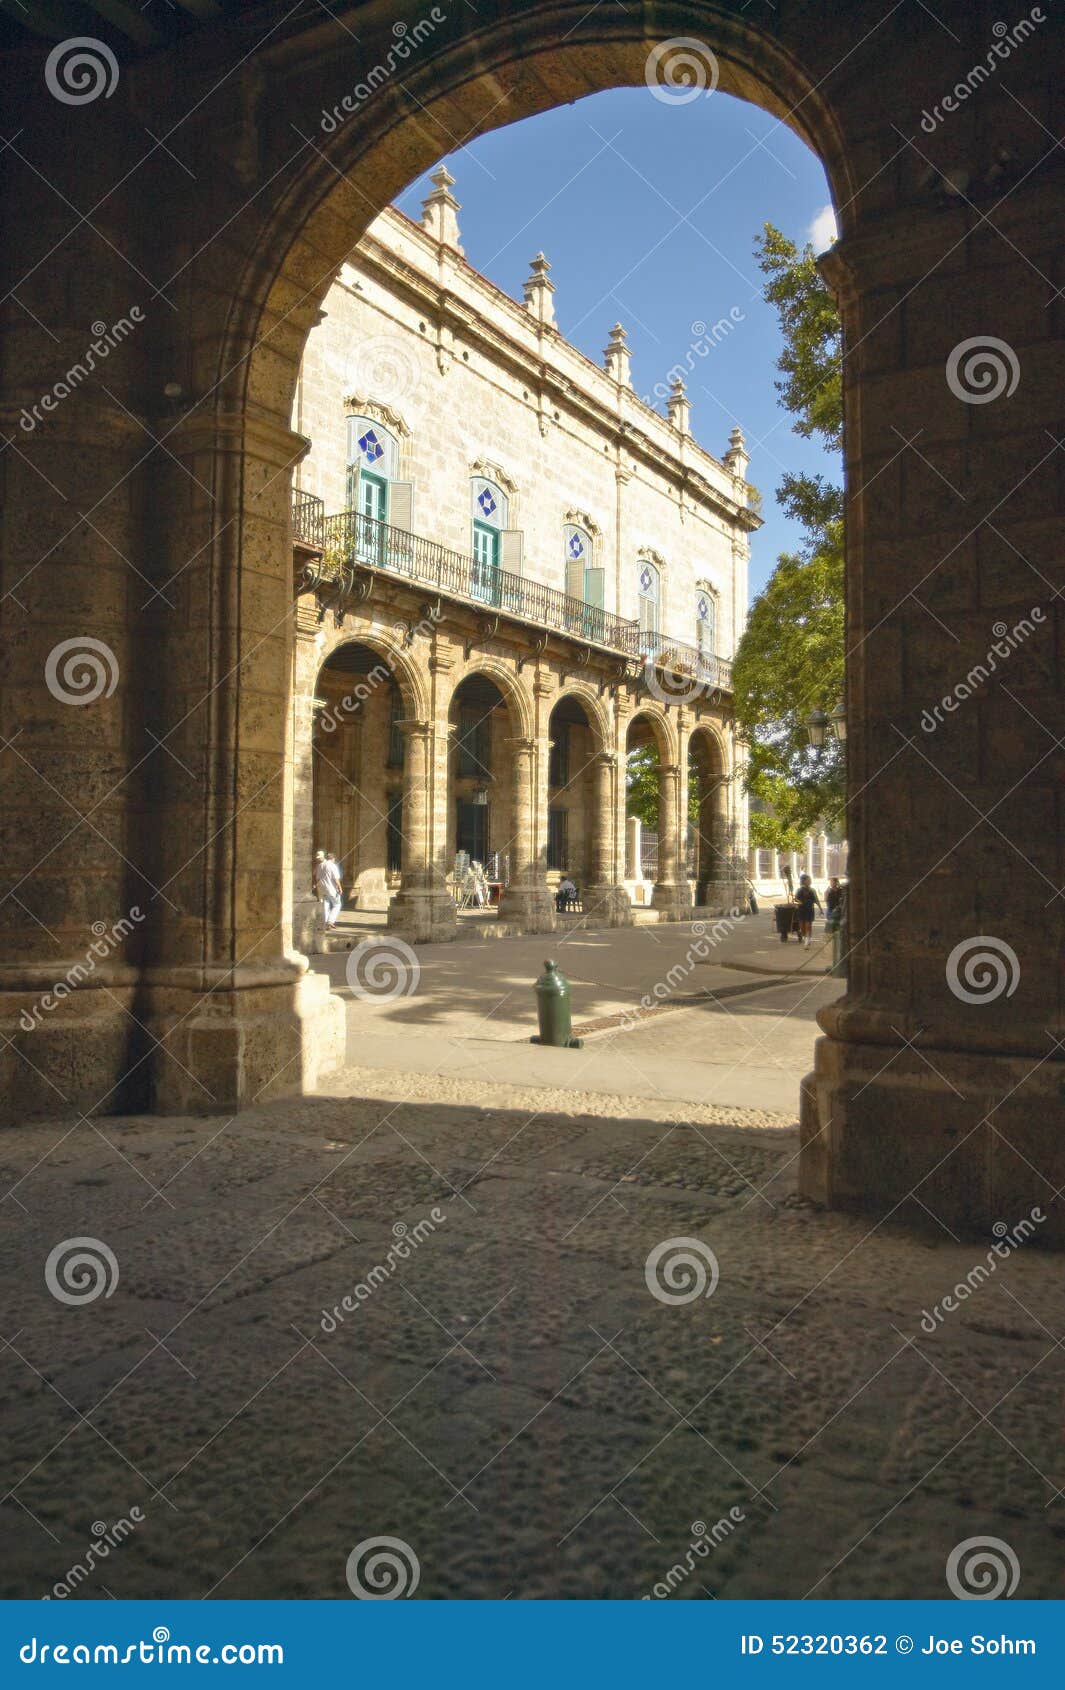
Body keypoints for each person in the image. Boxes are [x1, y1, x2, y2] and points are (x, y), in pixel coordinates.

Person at [313, 849, 343, 929]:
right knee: (337, 904)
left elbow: (317, 878)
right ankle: (330, 921)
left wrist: (316, 886)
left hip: (322, 889)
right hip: (331, 889)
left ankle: (325, 922)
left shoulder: (320, 865)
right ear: (333, 859)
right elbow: (336, 878)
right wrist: (340, 887)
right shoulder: (332, 866)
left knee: (325, 905)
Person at [794, 872, 822, 947]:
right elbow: (796, 898)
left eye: (810, 880)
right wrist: (799, 902)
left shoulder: (812, 890)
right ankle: (804, 937)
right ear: (804, 881)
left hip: (809, 910)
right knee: (802, 927)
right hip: (801, 910)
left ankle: (808, 940)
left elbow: (816, 900)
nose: (810, 881)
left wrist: (820, 909)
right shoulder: (799, 890)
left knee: (808, 925)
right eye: (808, 880)